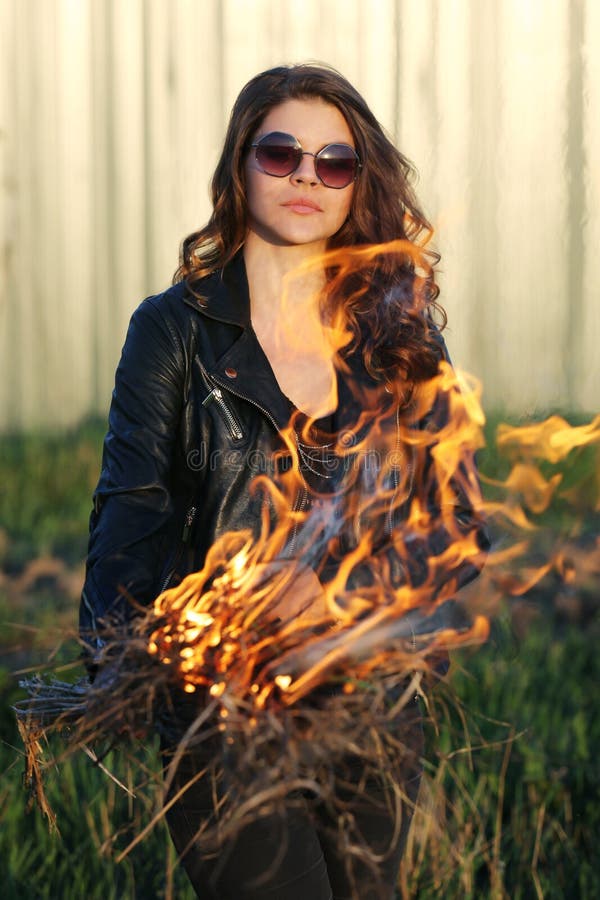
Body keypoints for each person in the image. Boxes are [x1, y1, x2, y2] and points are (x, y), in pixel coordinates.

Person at [80, 64, 488, 900]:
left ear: (355, 185)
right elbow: (128, 534)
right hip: (224, 719)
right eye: (282, 153)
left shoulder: (401, 340)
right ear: (241, 164)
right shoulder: (172, 333)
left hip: (370, 707)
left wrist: (335, 592)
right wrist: (216, 620)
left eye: (334, 162)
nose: (307, 175)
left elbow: (455, 533)